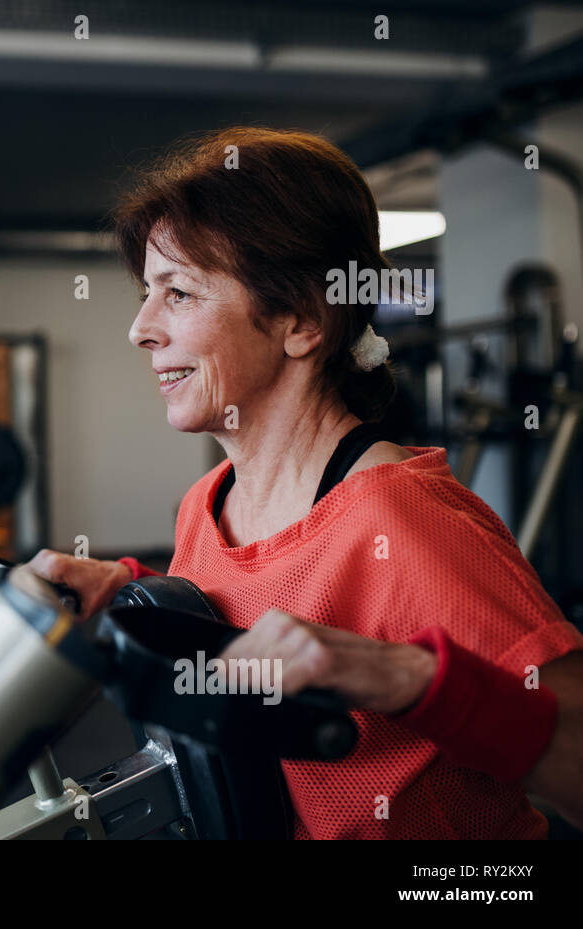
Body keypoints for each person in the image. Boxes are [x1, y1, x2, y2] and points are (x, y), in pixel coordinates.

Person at [29, 127, 583, 839]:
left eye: (180, 293)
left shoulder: (403, 517)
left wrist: (410, 679)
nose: (141, 327)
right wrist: (133, 595)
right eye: (147, 292)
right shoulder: (211, 503)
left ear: (299, 320)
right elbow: (245, 617)